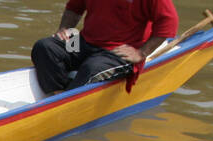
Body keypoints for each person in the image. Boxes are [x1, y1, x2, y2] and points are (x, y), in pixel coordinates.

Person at [31, 0, 178, 95]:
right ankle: (57, 94)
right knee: (45, 46)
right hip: (84, 41)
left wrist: (141, 53)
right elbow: (74, 7)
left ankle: (64, 102)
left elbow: (169, 22)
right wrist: (64, 29)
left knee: (91, 68)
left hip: (120, 50)